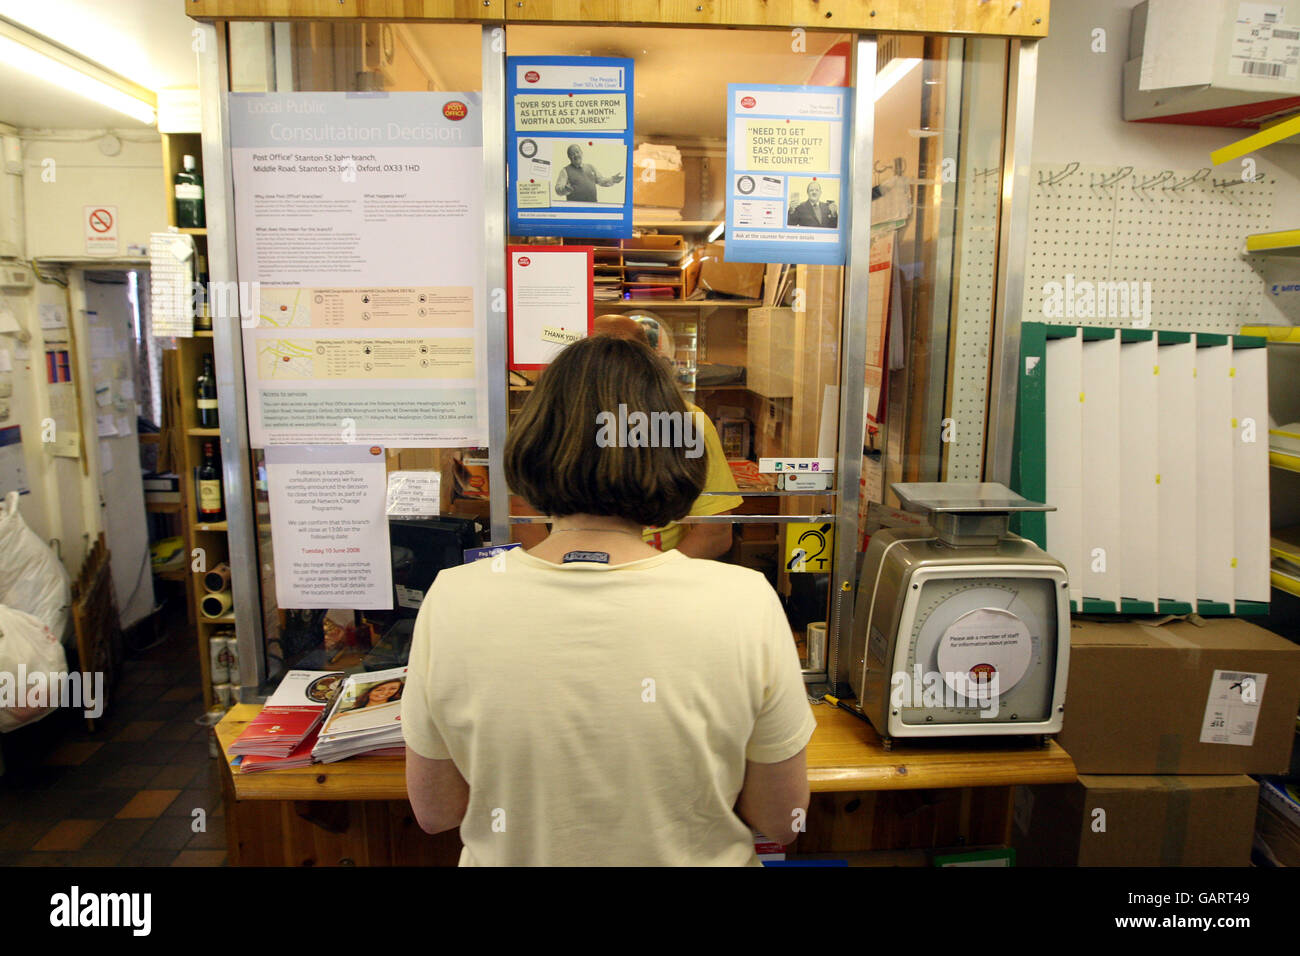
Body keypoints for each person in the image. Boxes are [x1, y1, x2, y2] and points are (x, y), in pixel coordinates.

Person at [403, 335, 814, 866]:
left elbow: (436, 812)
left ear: (533, 444)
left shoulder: (453, 598)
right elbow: (782, 820)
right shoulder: (744, 600)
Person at [511, 315, 742, 559]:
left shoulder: (687, 421)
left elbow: (715, 532)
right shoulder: (554, 416)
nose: (616, 370)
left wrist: (655, 581)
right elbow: (522, 515)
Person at [554, 144, 624, 203]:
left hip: (593, 205)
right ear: (569, 157)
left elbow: (601, 181)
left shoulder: (590, 167)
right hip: (575, 208)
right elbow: (558, 190)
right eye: (572, 154)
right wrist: (566, 189)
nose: (575, 155)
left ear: (581, 153)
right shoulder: (565, 171)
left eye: (577, 152)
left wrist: (612, 180)